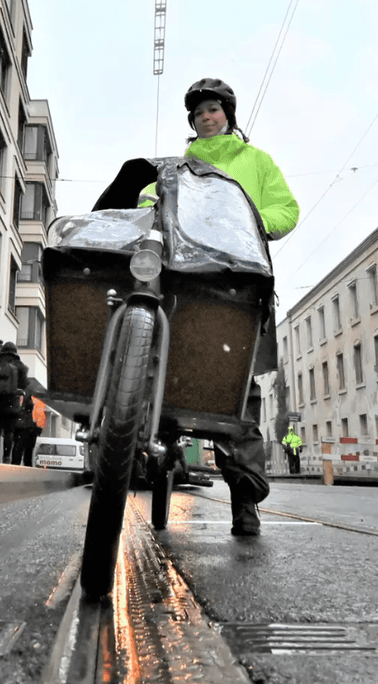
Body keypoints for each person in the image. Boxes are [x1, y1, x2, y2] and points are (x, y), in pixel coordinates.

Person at [156, 77, 300, 536]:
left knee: (238, 394)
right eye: (199, 113)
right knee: (168, 367)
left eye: (214, 109)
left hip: (240, 278)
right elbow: (149, 196)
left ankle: (245, 504)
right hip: (187, 277)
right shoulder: (179, 166)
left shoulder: (256, 162)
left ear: (228, 115)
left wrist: (257, 221)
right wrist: (146, 205)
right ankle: (164, 453)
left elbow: (287, 209)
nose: (207, 117)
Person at [11, 388, 45, 467]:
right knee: (27, 449)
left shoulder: (24, 396)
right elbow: (40, 414)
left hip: (26, 426)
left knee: (19, 448)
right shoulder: (35, 399)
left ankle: (16, 465)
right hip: (30, 426)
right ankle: (24, 465)